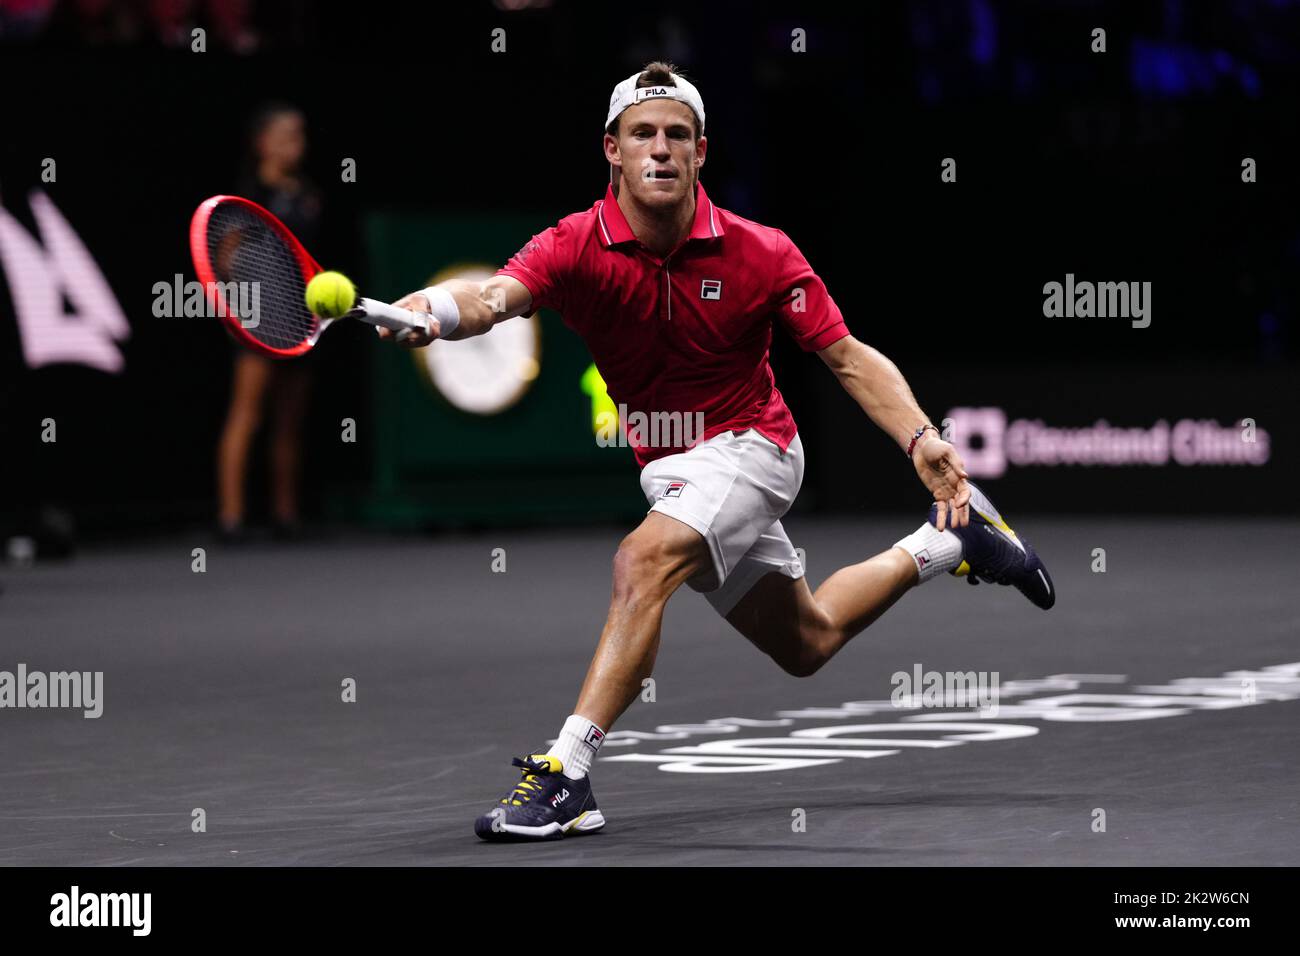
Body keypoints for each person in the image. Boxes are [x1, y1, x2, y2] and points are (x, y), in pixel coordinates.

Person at [377, 62, 1056, 841]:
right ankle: (949, 543)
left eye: (676, 135)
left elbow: (848, 356)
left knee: (642, 563)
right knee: (809, 642)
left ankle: (567, 775)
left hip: (752, 446)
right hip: (671, 471)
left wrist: (921, 436)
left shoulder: (761, 252)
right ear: (612, 150)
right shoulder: (573, 245)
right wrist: (429, 310)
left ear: (702, 151)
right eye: (643, 135)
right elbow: (493, 297)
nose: (660, 150)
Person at [216, 102, 321, 541]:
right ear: (262, 143)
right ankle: (232, 518)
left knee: (288, 423)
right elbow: (222, 259)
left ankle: (285, 514)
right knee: (247, 414)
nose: (294, 144)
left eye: (299, 135)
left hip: (301, 317)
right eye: (284, 135)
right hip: (258, 319)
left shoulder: (308, 194)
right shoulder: (249, 195)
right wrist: (246, 309)